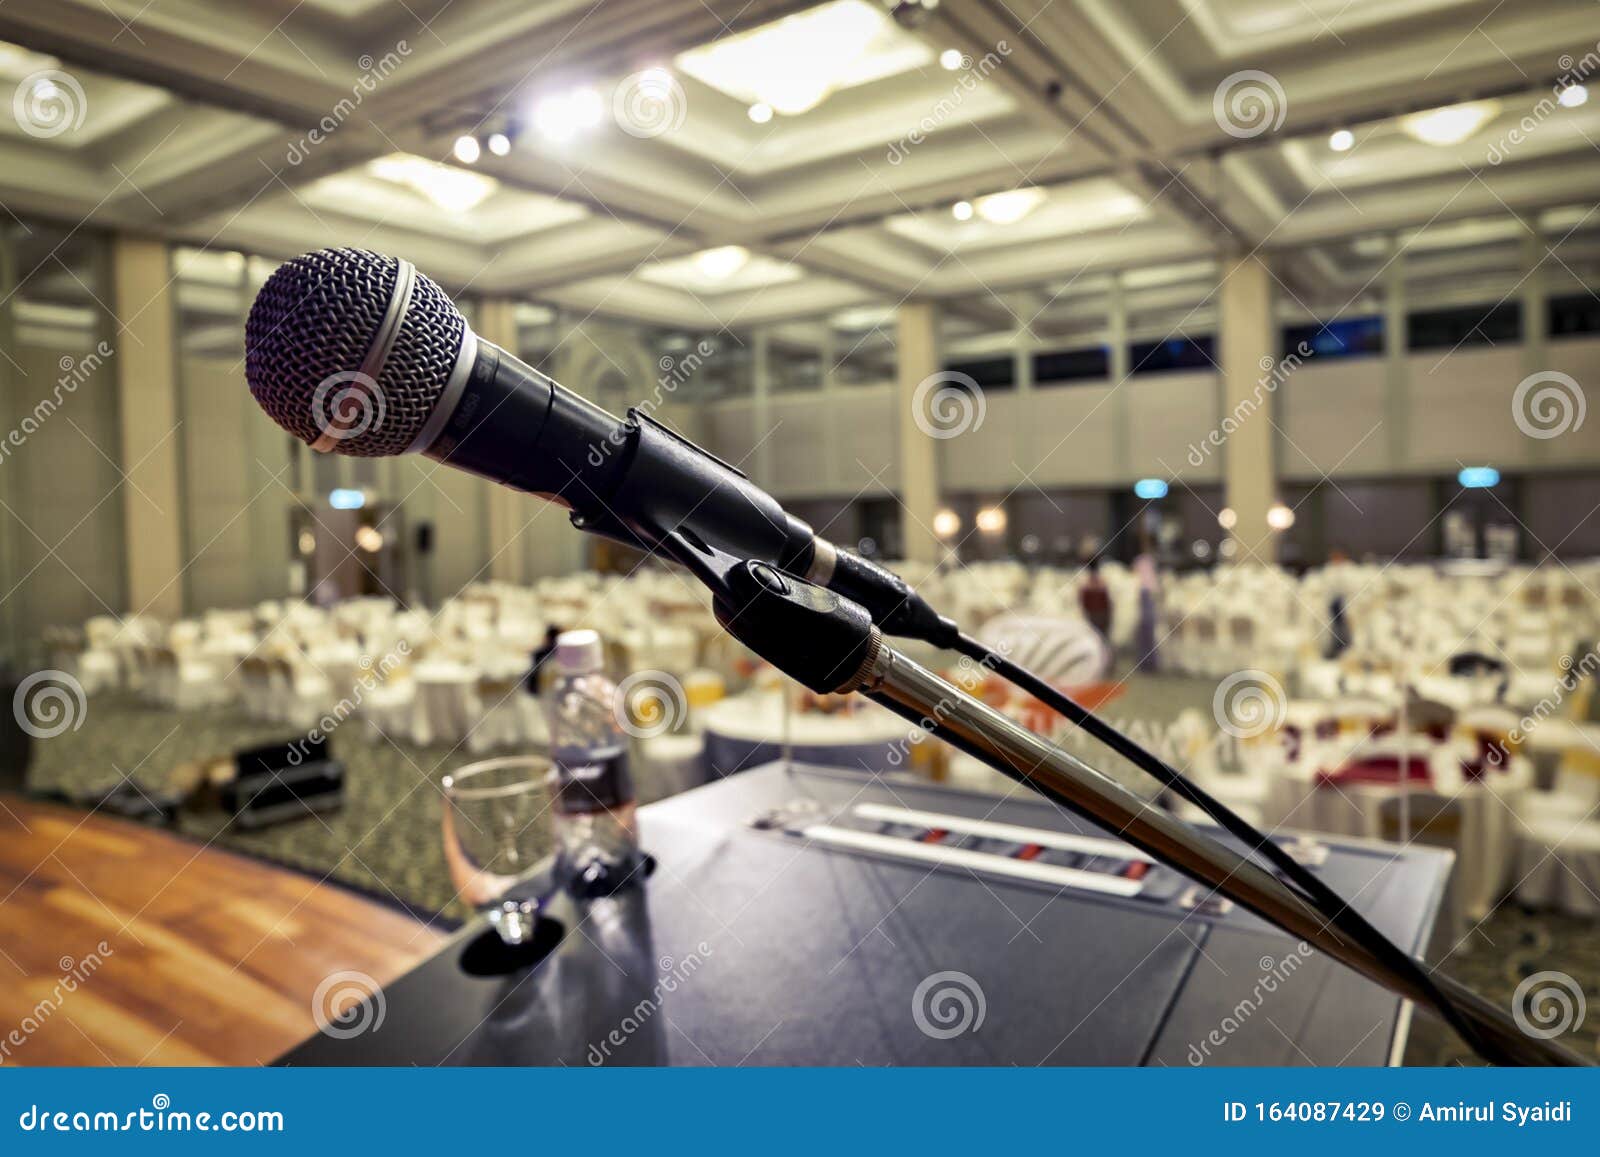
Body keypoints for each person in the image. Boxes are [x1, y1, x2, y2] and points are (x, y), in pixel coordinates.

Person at [1079, 559, 1113, 644]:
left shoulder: (1088, 583)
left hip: (1099, 614)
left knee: (1098, 637)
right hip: (1096, 614)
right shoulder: (1099, 582)